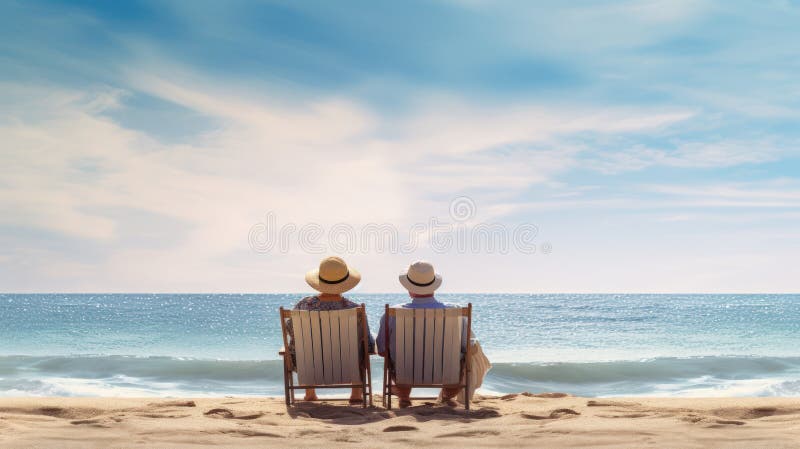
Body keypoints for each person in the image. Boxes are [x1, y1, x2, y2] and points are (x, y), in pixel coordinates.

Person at [377, 260, 467, 408]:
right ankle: (447, 395)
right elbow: (464, 346)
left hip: (404, 373)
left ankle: (404, 397)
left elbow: (381, 351)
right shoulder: (456, 311)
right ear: (434, 286)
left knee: (399, 359)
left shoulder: (392, 313)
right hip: (448, 373)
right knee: (465, 357)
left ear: (409, 288)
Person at [287, 256, 375, 404]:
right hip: (346, 365)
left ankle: (310, 393)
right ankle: (356, 394)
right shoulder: (355, 309)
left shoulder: (303, 305)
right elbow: (366, 338)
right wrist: (372, 347)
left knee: (301, 347)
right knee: (362, 347)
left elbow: (291, 331)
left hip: (311, 364)